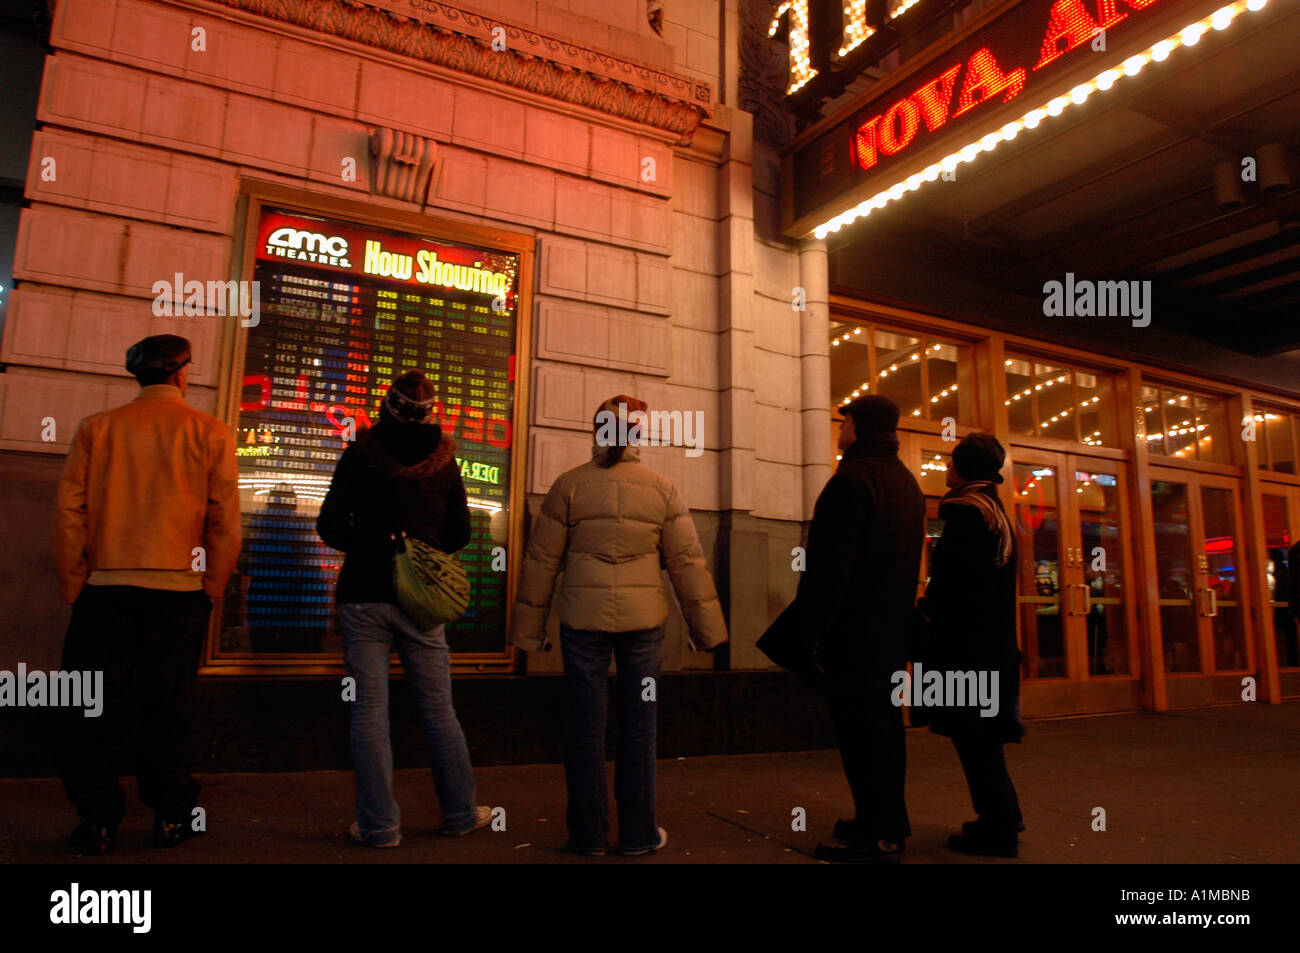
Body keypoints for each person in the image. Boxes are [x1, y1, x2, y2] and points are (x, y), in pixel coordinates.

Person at [511, 395, 728, 857]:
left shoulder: (568, 486)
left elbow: (540, 564)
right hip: (644, 626)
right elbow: (687, 564)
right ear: (637, 436)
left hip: (581, 626)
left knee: (585, 728)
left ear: (596, 433)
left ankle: (587, 836)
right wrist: (707, 631)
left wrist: (529, 633)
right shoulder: (662, 488)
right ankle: (638, 834)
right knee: (639, 727)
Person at [53, 334, 240, 855]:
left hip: (105, 591)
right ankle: (172, 817)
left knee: (94, 710)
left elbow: (70, 512)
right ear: (181, 374)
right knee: (168, 708)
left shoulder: (97, 428)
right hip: (177, 594)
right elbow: (223, 518)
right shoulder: (210, 431)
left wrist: (74, 582)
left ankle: (97, 820)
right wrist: (212, 586)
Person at [317, 370, 490, 848]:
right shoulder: (445, 461)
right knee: (439, 711)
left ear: (386, 407)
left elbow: (330, 525)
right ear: (429, 413)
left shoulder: (359, 455)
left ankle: (378, 827)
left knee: (369, 711)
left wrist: (373, 547)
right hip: (423, 602)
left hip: (364, 595)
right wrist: (421, 555)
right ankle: (459, 813)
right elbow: (460, 534)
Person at [806, 395, 925, 863]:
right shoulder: (905, 482)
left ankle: (876, 835)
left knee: (861, 736)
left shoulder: (852, 480)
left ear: (862, 427)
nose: (840, 431)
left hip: (853, 634)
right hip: (890, 631)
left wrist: (815, 630)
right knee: (883, 732)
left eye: (845, 422)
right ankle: (883, 822)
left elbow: (831, 568)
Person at [915, 431, 1025, 858]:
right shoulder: (996, 510)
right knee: (983, 736)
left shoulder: (960, 511)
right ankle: (1004, 816)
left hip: (965, 649)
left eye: (950, 462)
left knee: (972, 737)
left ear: (961, 468)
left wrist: (925, 610)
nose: (945, 469)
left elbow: (950, 580)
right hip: (991, 645)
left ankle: (998, 827)